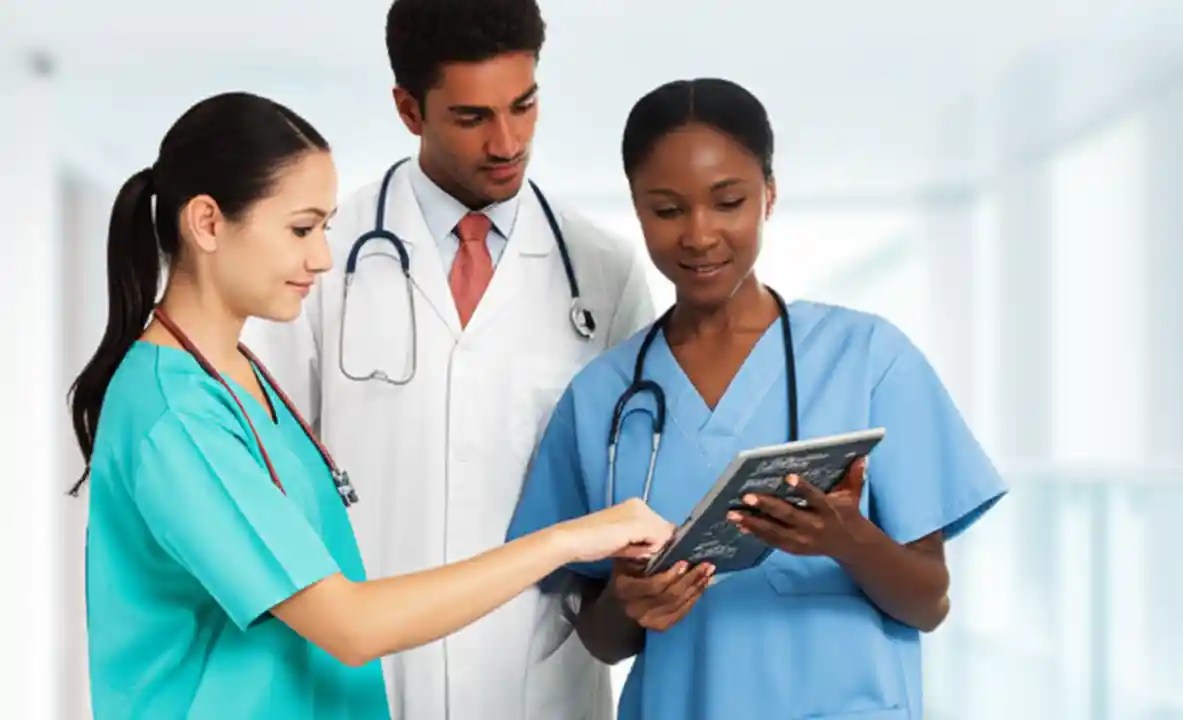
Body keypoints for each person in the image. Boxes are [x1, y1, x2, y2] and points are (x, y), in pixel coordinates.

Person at [67, 91, 672, 720]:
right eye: (301, 229)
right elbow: (350, 625)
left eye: (325, 229)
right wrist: (567, 540)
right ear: (209, 223)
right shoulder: (175, 415)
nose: (321, 259)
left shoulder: (242, 376)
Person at [506, 77, 1009, 720]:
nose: (700, 235)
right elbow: (603, 642)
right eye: (667, 210)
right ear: (636, 210)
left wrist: (847, 539)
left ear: (769, 195)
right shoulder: (602, 398)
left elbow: (929, 602)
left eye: (728, 202)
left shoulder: (869, 358)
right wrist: (628, 605)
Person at [240, 1, 654, 716]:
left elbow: (633, 481)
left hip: (537, 682)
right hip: (363, 676)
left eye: (523, 106)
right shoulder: (320, 260)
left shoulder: (602, 270)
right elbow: (265, 479)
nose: (506, 141)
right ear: (408, 108)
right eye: (471, 118)